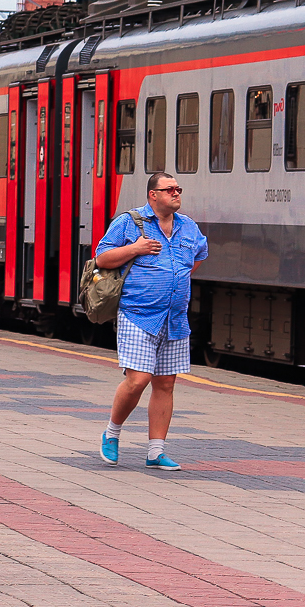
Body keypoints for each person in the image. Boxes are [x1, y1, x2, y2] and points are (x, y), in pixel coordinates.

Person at [94, 170, 207, 470]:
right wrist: (136, 249)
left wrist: (173, 280)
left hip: (175, 319)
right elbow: (102, 258)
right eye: (169, 189)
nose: (176, 194)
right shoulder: (130, 222)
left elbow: (197, 258)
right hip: (138, 314)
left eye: (178, 189)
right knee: (138, 380)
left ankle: (156, 451)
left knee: (166, 384)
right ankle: (112, 432)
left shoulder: (188, 227)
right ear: (152, 195)